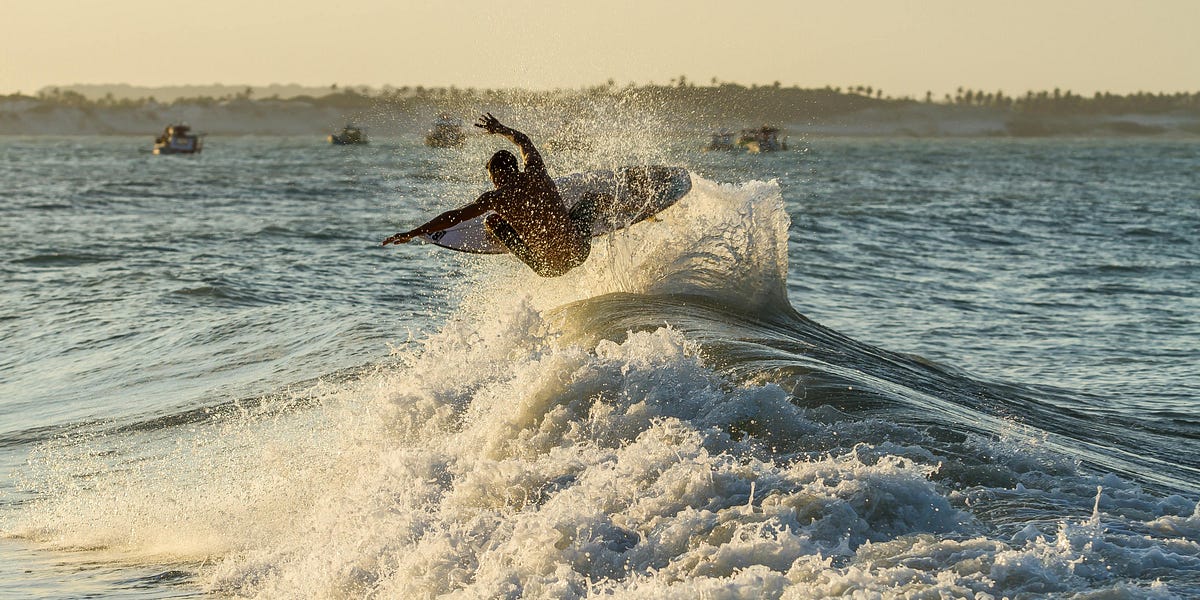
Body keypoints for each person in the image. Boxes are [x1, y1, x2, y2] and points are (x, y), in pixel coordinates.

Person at [382, 113, 594, 277]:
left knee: (492, 221)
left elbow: (454, 217)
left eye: (491, 176)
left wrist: (413, 232)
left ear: (497, 173)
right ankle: (622, 207)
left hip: (547, 268)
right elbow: (523, 141)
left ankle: (499, 234)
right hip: (579, 254)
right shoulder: (536, 171)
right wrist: (500, 129)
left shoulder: (495, 198)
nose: (492, 181)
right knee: (591, 200)